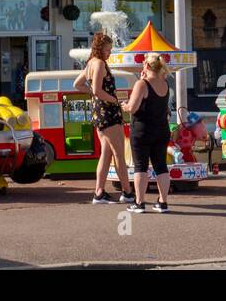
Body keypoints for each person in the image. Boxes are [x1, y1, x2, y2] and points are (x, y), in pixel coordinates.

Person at [73, 32, 134, 205]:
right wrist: (115, 100)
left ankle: (99, 193)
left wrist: (93, 92)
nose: (109, 53)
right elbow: (99, 90)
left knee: (106, 155)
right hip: (108, 113)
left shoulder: (90, 63)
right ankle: (127, 192)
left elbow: (77, 84)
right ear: (100, 49)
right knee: (119, 154)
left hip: (98, 113)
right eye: (108, 50)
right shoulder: (99, 64)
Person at [123, 55, 173, 213]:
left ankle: (139, 203)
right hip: (161, 130)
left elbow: (132, 107)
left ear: (146, 65)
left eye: (143, 63)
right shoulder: (164, 83)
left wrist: (124, 105)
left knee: (140, 167)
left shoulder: (142, 84)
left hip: (142, 130)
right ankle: (163, 202)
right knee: (161, 166)